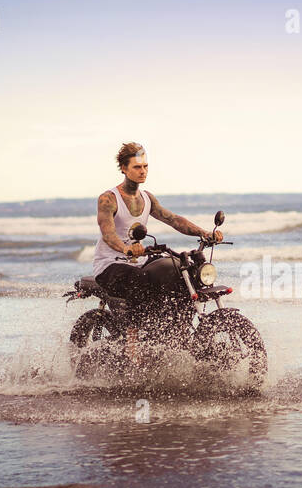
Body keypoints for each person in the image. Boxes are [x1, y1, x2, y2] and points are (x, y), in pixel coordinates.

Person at [91, 142, 223, 360]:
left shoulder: (147, 198)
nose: (142, 171)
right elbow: (108, 233)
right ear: (124, 168)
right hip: (109, 264)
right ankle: (133, 348)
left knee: (180, 272)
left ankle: (172, 335)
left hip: (138, 262)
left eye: (145, 166)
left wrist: (204, 233)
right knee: (139, 279)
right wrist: (127, 249)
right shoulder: (109, 198)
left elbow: (172, 219)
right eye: (137, 167)